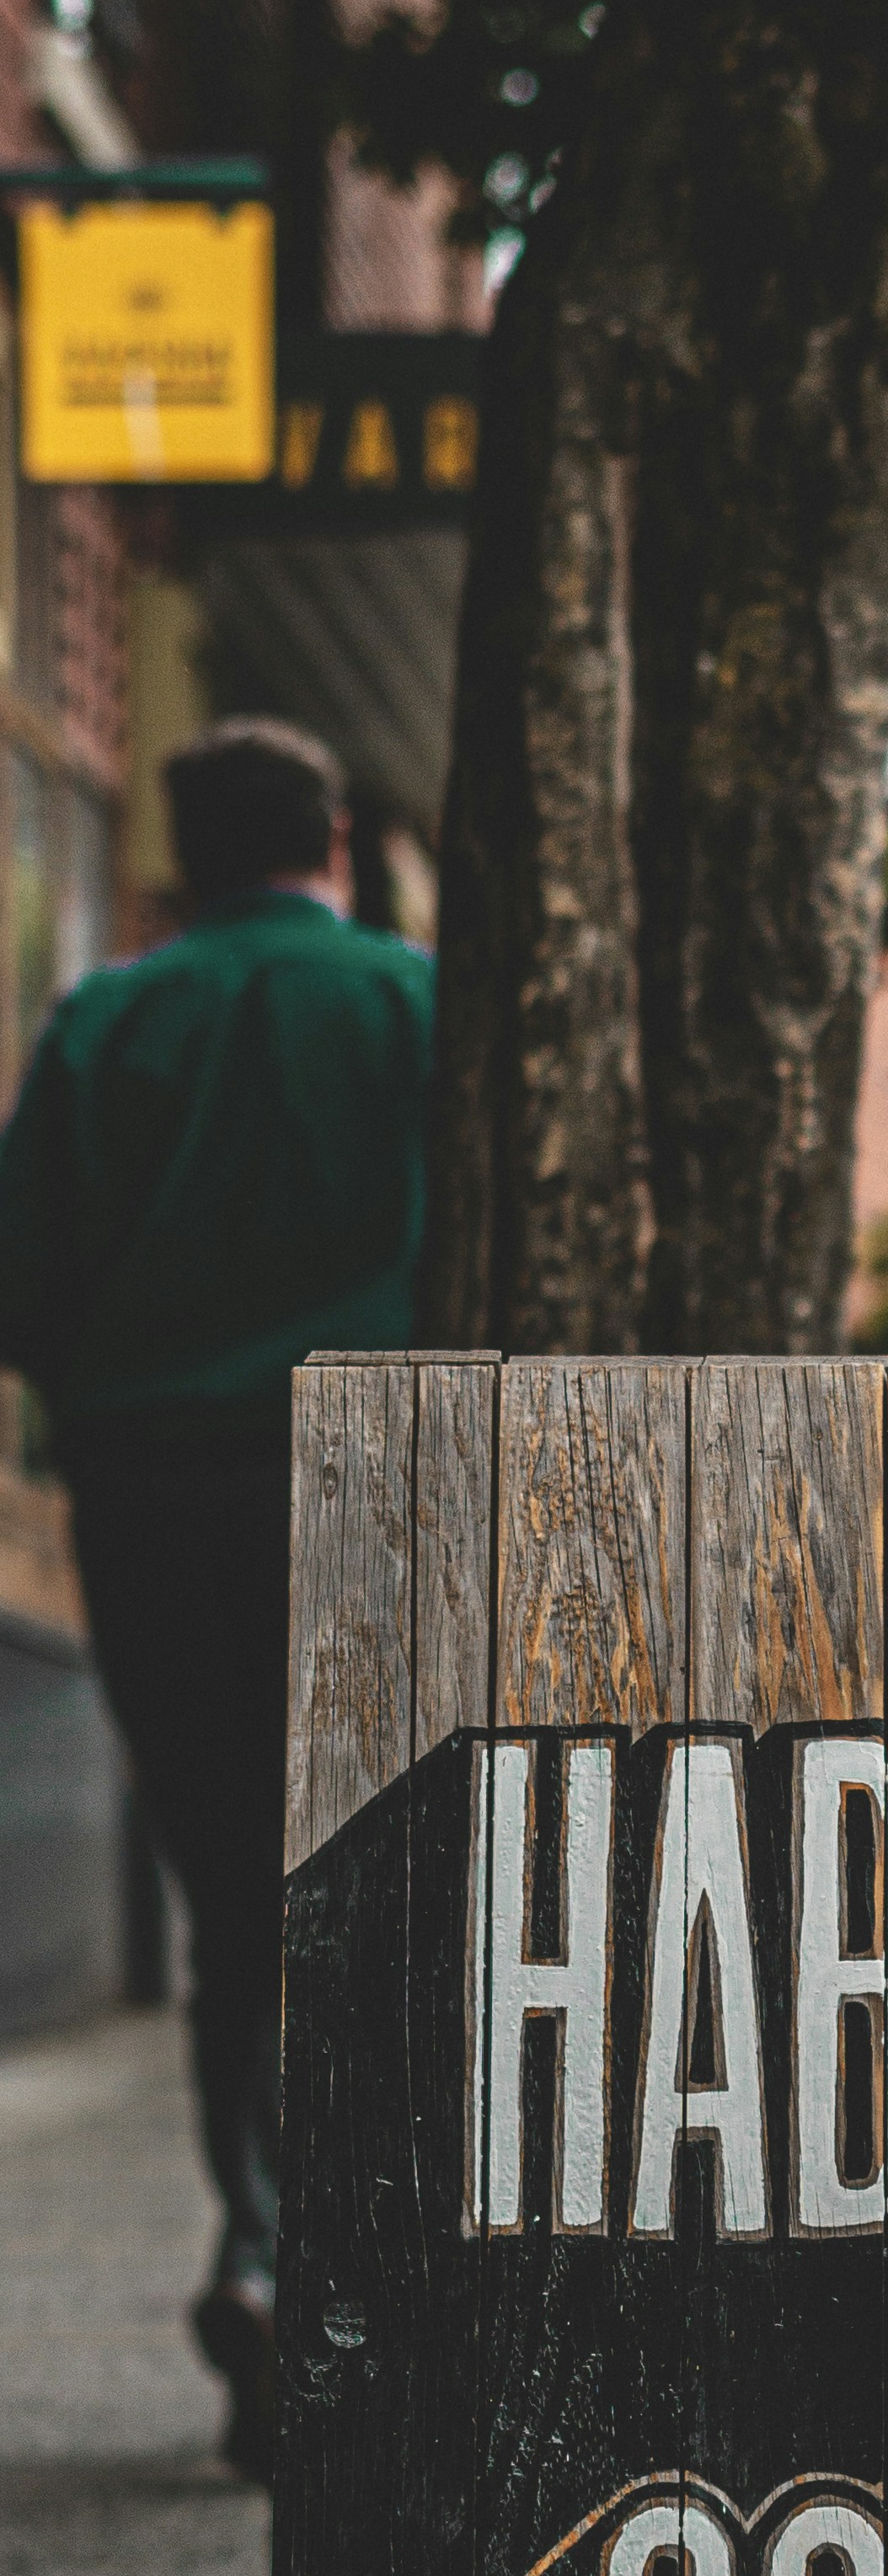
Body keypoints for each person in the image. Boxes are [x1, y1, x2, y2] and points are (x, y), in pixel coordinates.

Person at [0, 716, 433, 2481]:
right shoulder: (417, 1002)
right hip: (392, 1473)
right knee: (385, 1869)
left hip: (157, 1492)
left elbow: (21, 1290)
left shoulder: (106, 1020)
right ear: (334, 834)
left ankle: (262, 2243)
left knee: (226, 1897)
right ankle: (364, 2280)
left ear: (177, 852)